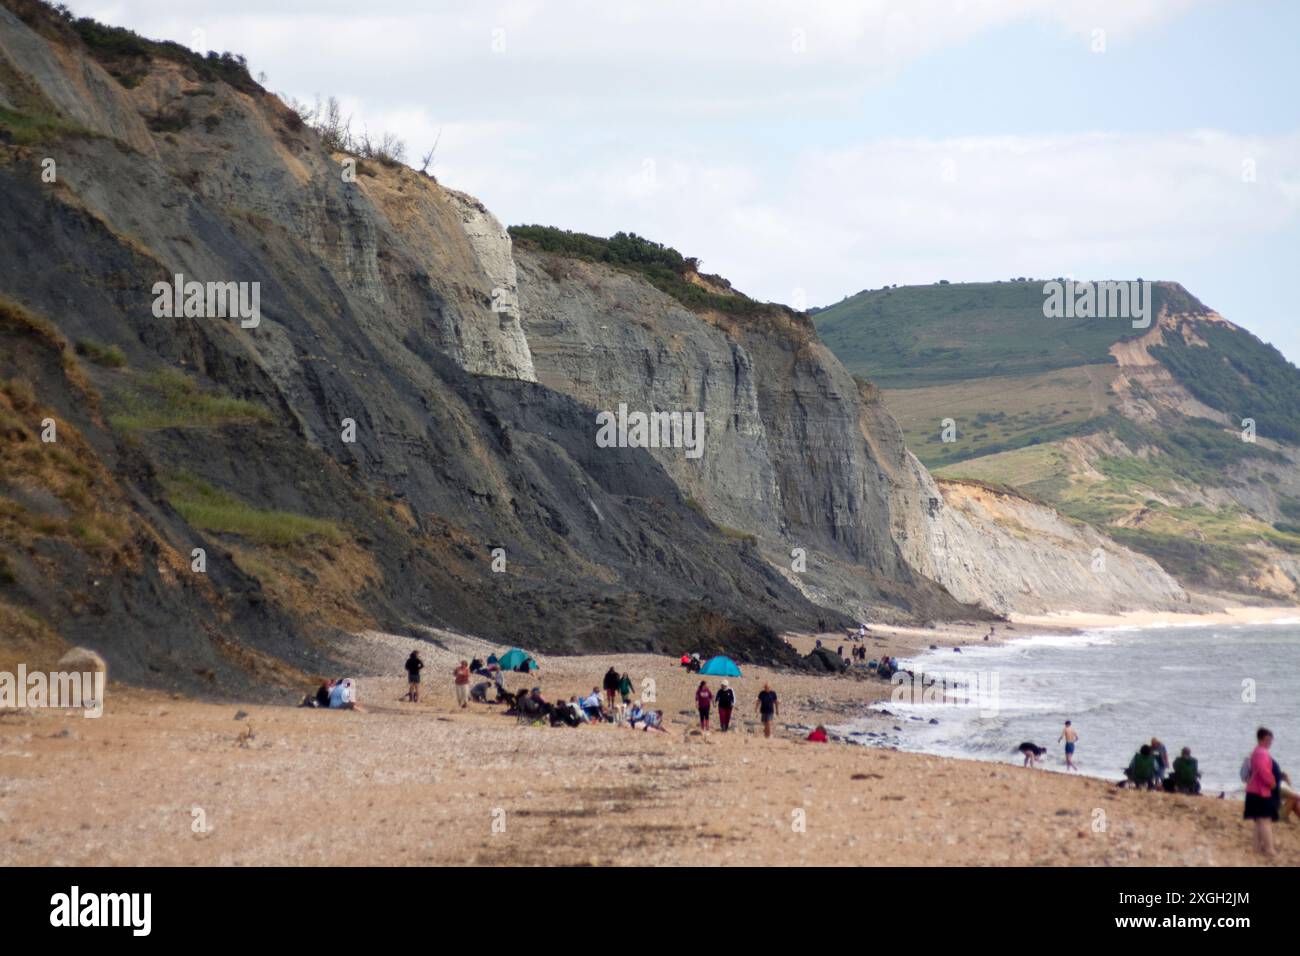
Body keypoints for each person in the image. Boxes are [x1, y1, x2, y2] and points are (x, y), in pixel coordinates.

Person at [1245, 727, 1280, 856]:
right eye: (1268, 739)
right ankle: (1269, 849)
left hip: (1255, 791)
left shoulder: (1258, 751)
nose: (1270, 742)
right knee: (1265, 820)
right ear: (1260, 739)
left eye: (1271, 739)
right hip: (1260, 791)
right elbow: (1263, 770)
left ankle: (1256, 847)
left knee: (1259, 820)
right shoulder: (1261, 752)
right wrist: (1272, 783)